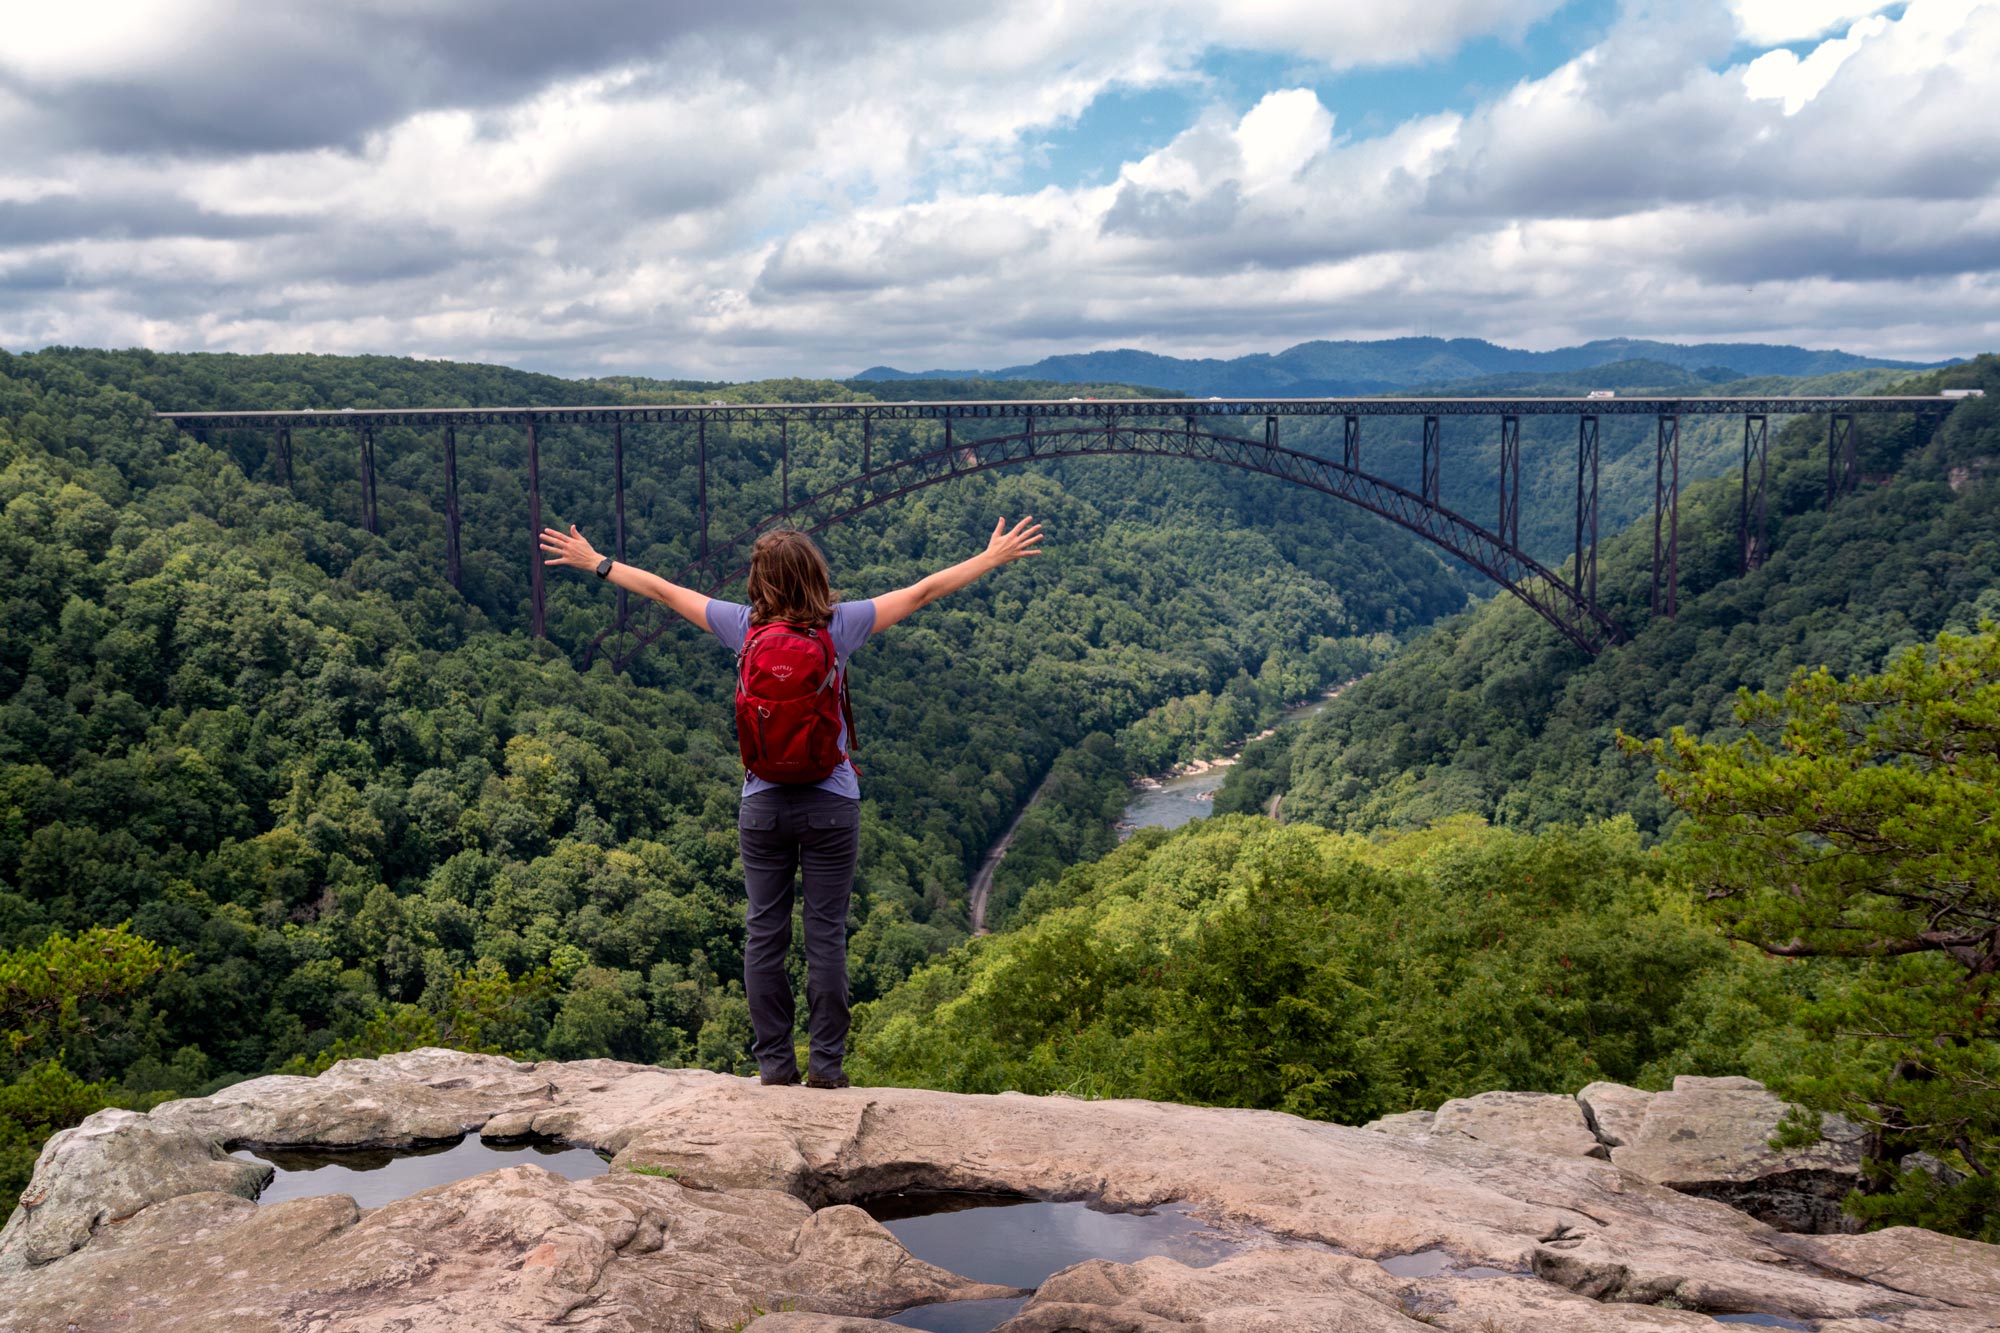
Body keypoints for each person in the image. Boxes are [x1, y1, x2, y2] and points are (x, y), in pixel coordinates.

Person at [539, 515, 1044, 1087]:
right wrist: (990, 557)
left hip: (763, 807)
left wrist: (598, 562)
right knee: (825, 935)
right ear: (814, 576)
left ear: (759, 582)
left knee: (765, 935)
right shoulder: (841, 627)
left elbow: (660, 588)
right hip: (831, 804)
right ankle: (827, 1069)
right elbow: (925, 589)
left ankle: (775, 1067)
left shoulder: (741, 627)